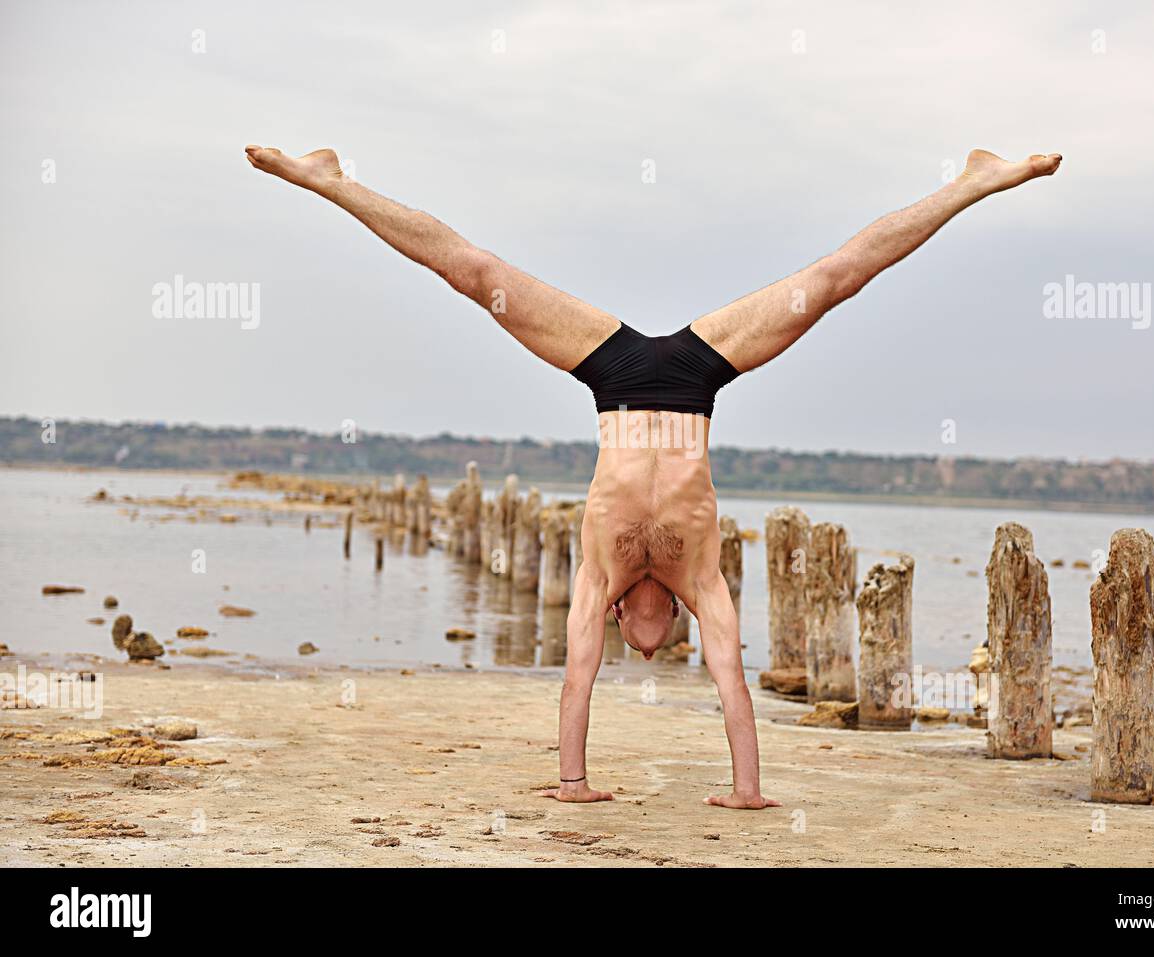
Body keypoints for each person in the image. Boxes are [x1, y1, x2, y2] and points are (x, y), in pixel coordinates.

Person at [246, 143, 1061, 809]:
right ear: (667, 618)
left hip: (614, 372)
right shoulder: (700, 580)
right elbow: (730, 679)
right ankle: (331, 180)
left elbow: (574, 678)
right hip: (699, 375)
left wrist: (573, 782)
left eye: (630, 646)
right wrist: (748, 790)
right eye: (653, 642)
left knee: (475, 272)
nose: (639, 644)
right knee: (831, 280)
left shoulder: (599, 579)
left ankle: (971, 180)